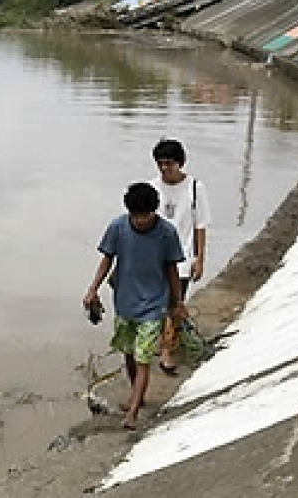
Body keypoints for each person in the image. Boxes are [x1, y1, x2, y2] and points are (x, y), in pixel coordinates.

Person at [84, 183, 186, 431]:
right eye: (135, 216)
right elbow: (107, 260)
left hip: (153, 305)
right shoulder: (118, 228)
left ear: (154, 212)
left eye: (145, 216)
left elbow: (172, 268)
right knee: (129, 353)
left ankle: (133, 412)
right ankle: (135, 394)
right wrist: (93, 289)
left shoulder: (166, 233)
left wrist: (177, 301)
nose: (140, 221)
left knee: (143, 358)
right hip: (125, 303)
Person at [150, 138, 211, 375]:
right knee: (158, 304)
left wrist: (200, 258)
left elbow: (200, 225)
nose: (165, 168)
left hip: (182, 258)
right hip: (155, 258)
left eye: (169, 163)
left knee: (174, 303)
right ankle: (163, 340)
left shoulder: (196, 189)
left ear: (180, 163)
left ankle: (166, 350)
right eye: (160, 164)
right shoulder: (152, 188)